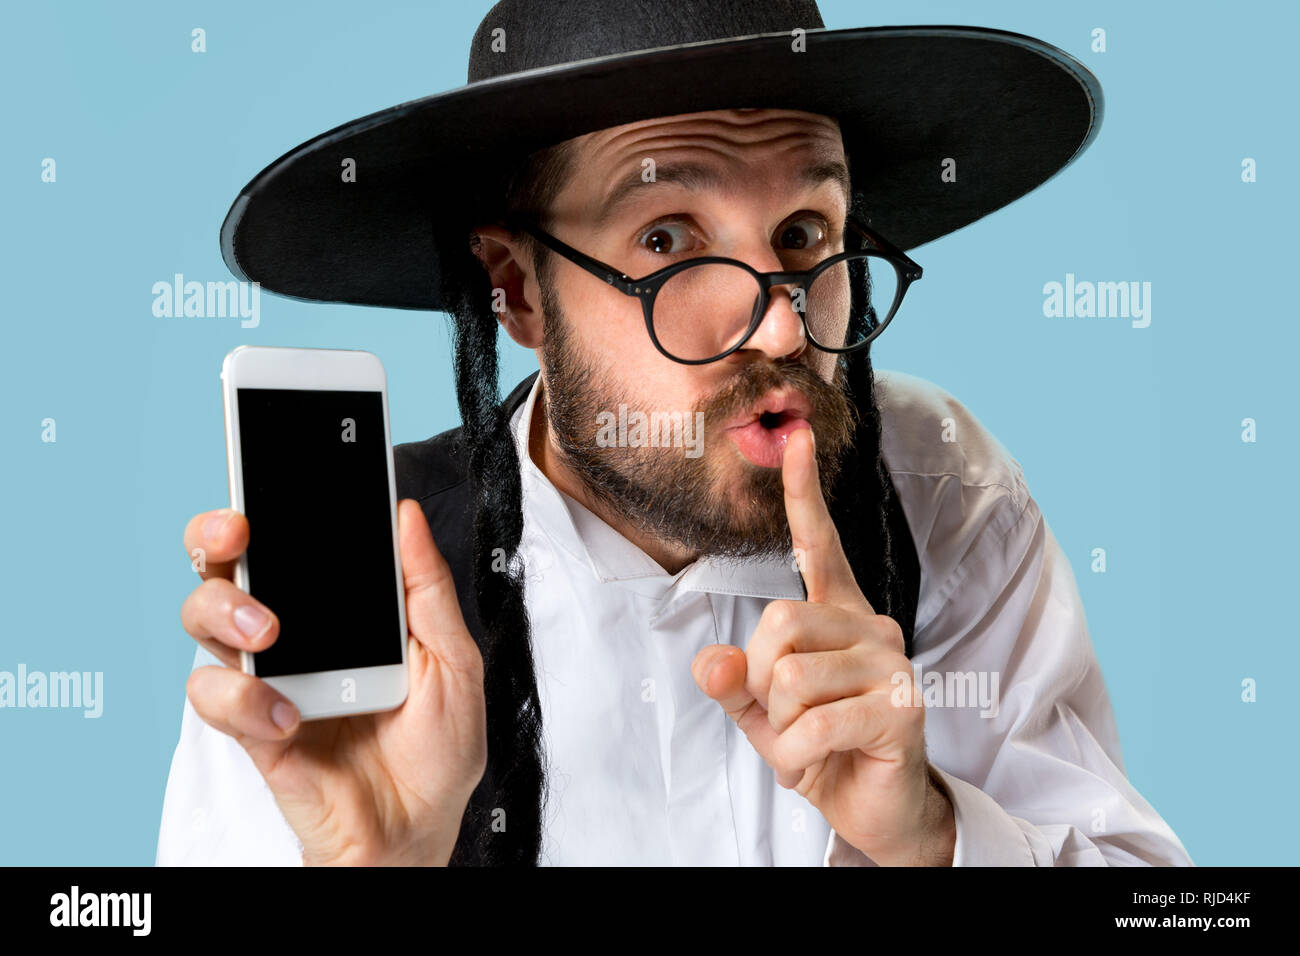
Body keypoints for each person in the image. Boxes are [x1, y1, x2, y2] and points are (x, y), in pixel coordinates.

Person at [157, 0, 1193, 866]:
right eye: (666, 241)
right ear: (514, 288)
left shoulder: (943, 493)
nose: (782, 324)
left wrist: (933, 835)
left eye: (804, 236)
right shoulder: (360, 573)